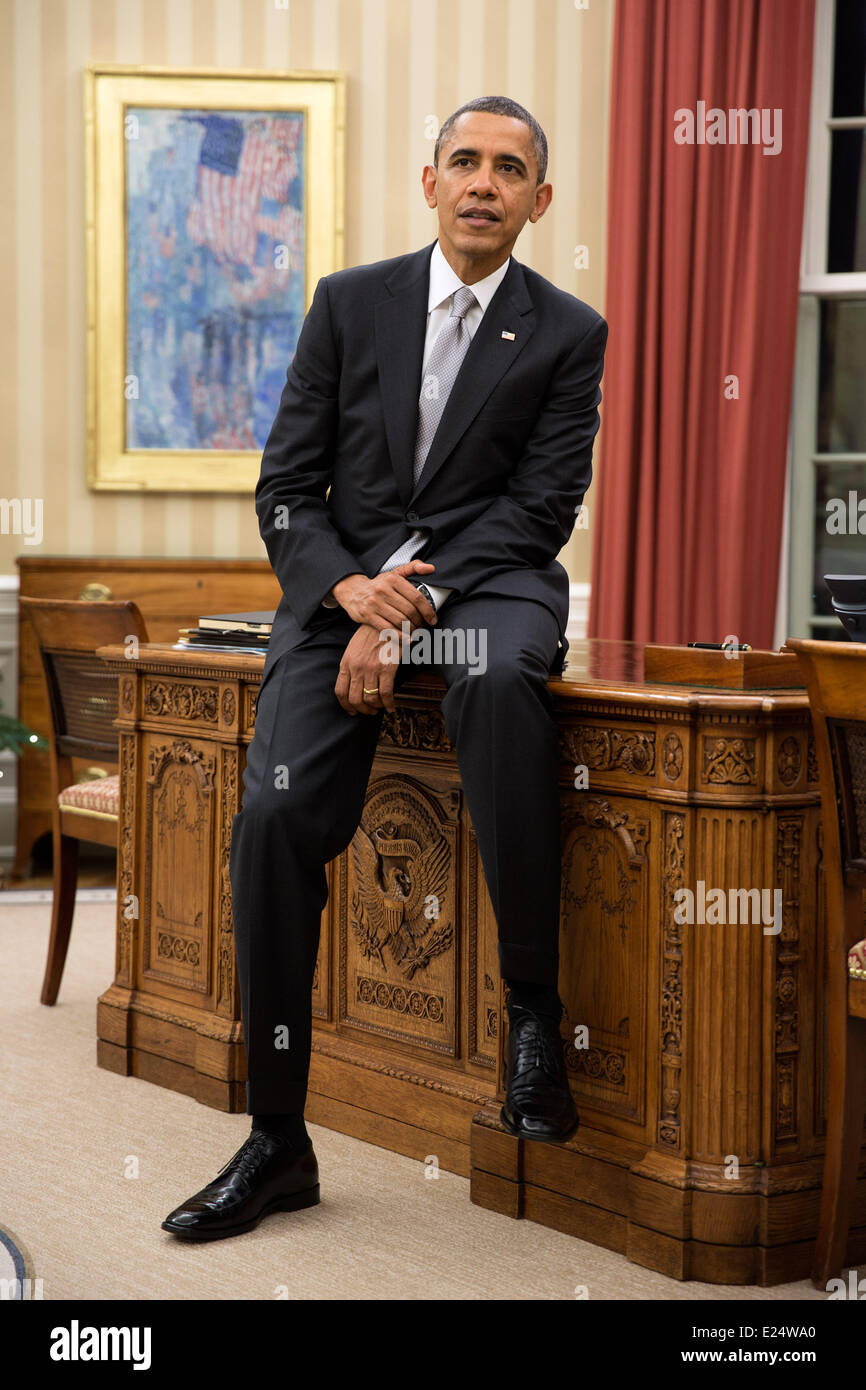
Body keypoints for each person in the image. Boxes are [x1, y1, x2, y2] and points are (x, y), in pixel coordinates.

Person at [162, 95, 608, 1241]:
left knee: (502, 682)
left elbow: (539, 508)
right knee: (270, 819)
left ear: (537, 201)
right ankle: (274, 1137)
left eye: (509, 169)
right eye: (464, 161)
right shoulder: (347, 304)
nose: (482, 182)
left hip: (483, 594)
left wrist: (411, 605)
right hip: (337, 597)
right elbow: (283, 488)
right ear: (428, 181)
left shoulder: (566, 332)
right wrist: (348, 593)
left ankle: (529, 1016)